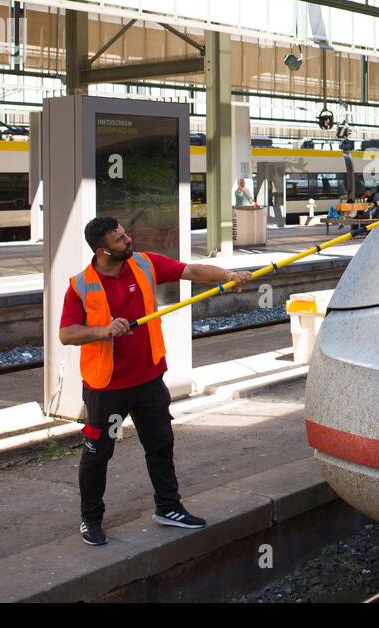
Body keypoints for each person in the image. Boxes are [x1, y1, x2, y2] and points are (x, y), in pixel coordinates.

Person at [59, 216, 253, 547]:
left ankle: (168, 507)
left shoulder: (144, 264)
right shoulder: (80, 286)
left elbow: (189, 270)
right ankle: (90, 519)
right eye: (120, 240)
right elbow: (67, 334)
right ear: (103, 250)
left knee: (160, 444)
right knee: (98, 453)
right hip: (106, 388)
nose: (128, 240)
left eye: (125, 234)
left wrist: (228, 276)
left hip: (149, 379)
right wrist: (103, 330)